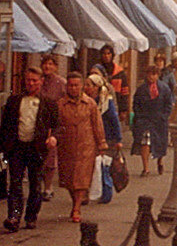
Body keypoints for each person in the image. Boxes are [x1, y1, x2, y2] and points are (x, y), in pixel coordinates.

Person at [0, 67, 60, 232]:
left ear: (41, 81)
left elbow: (57, 126)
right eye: (28, 80)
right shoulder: (14, 100)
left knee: (35, 184)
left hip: (37, 148)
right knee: (15, 184)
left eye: (35, 80)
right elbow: (5, 125)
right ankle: (14, 216)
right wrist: (4, 146)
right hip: (17, 147)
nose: (31, 84)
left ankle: (31, 217)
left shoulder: (48, 103)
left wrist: (53, 137)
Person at [56, 72, 106, 222]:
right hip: (67, 146)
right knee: (69, 179)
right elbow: (56, 125)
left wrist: (101, 143)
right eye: (71, 85)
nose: (73, 88)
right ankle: (75, 200)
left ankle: (76, 208)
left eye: (76, 85)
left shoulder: (90, 104)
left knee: (82, 178)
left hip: (86, 146)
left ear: (82, 86)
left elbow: (97, 124)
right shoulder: (60, 104)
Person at [132, 65, 174, 175]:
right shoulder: (141, 89)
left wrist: (164, 116)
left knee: (160, 143)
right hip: (145, 120)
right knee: (145, 142)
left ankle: (160, 161)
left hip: (159, 121)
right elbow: (136, 104)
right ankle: (146, 168)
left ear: (158, 75)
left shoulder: (164, 88)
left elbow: (169, 104)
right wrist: (139, 116)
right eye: (149, 74)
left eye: (154, 74)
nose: (151, 77)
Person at [38, 55, 65, 203]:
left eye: (50, 64)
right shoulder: (39, 80)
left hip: (53, 122)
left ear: (55, 66)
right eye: (45, 64)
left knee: (50, 157)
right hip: (38, 121)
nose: (47, 67)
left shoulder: (60, 83)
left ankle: (48, 187)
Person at [84, 73, 122, 154]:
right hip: (89, 138)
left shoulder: (106, 102)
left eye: (88, 85)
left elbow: (114, 120)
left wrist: (118, 139)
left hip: (106, 137)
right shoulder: (85, 101)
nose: (85, 88)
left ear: (96, 87)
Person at [98, 45, 130, 123]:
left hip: (116, 105)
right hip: (100, 105)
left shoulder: (120, 72)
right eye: (104, 54)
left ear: (112, 55)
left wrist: (123, 110)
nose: (106, 56)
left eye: (109, 54)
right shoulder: (97, 70)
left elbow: (125, 92)